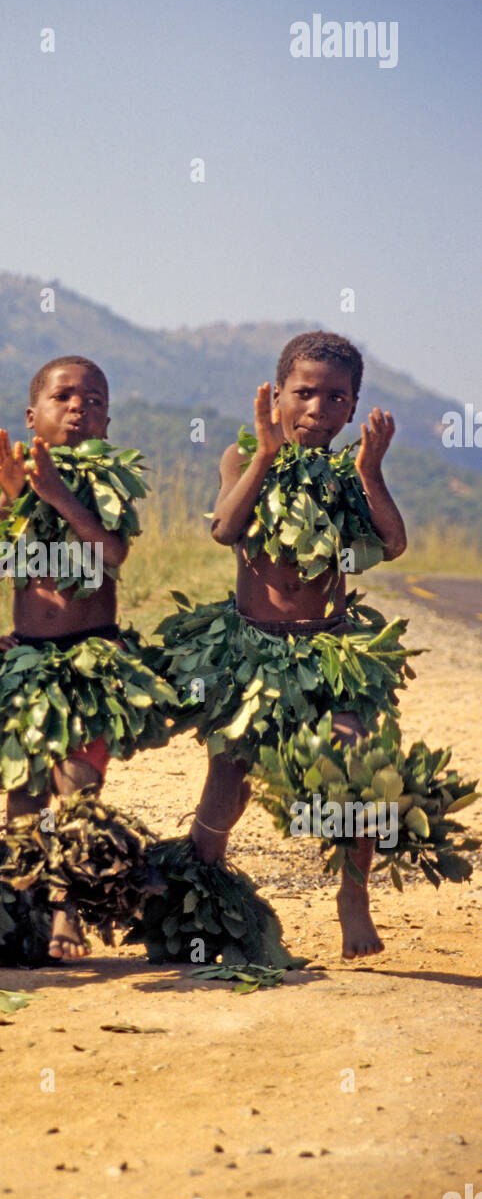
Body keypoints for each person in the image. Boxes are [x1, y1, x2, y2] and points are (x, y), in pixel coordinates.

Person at [157, 332, 411, 958]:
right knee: (227, 778)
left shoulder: (350, 474)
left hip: (328, 651)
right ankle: (202, 892)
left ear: (352, 410)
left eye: (335, 397)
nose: (317, 409)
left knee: (357, 764)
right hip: (252, 652)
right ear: (274, 398)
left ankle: (353, 896)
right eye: (303, 393)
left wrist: (371, 472)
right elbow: (224, 528)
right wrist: (265, 455)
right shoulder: (242, 456)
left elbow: (393, 543)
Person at [0, 355, 173, 959]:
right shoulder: (9, 480)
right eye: (64, 397)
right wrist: (12, 498)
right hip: (28, 663)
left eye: (94, 400)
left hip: (92, 660)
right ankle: (24, 915)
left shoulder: (106, 482)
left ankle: (69, 911)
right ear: (31, 415)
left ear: (108, 420)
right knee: (24, 796)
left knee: (78, 790)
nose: (78, 407)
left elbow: (111, 554)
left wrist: (61, 496)